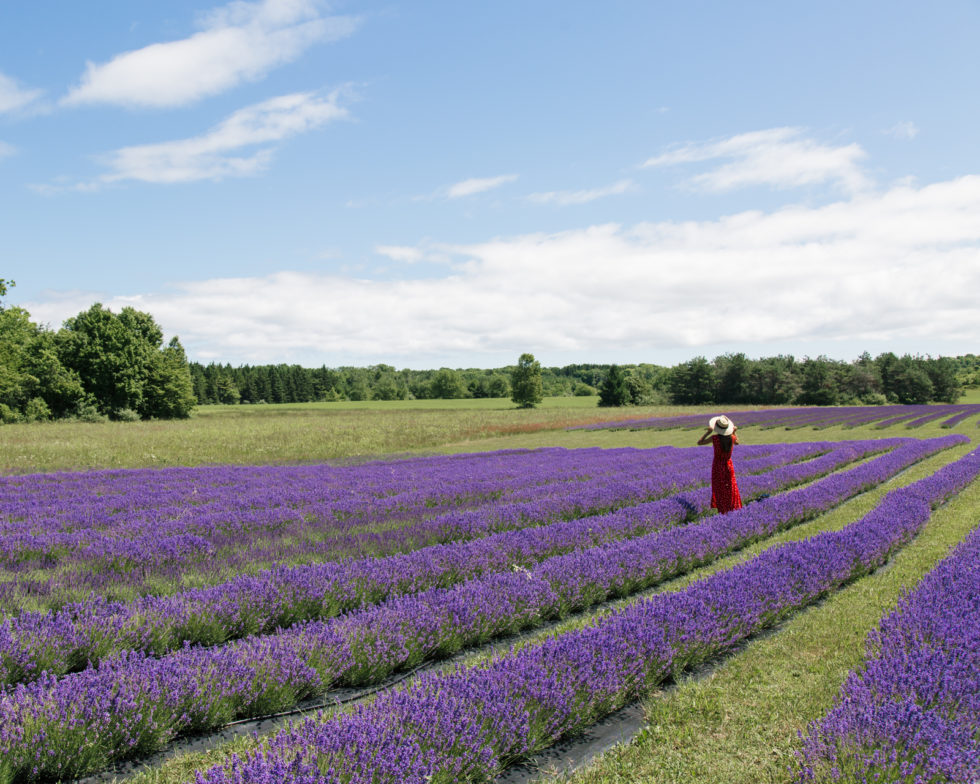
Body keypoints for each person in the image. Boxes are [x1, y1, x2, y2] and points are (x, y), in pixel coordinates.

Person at [697, 414, 743, 514]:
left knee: (719, 489)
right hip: (728, 466)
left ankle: (722, 511)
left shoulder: (715, 438)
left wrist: (708, 432)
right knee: (731, 488)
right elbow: (738, 442)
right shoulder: (732, 438)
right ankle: (733, 509)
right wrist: (734, 432)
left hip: (718, 466)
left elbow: (700, 442)